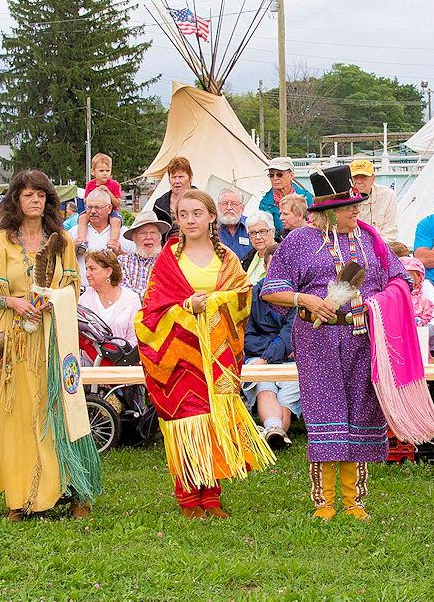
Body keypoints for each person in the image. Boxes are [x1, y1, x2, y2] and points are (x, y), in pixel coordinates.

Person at [262, 164, 408, 521]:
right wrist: (306, 301)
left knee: (359, 413)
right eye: (349, 207)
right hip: (317, 340)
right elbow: (272, 290)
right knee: (327, 416)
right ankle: (324, 502)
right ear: (327, 213)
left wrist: (383, 302)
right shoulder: (299, 242)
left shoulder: (369, 238)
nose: (357, 211)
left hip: (362, 337)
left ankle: (354, 500)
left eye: (357, 205)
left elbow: (399, 277)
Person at [0, 170, 101, 521]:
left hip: (54, 339)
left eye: (41, 194)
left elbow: (73, 288)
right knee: (18, 416)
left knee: (60, 410)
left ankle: (73, 490)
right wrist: (15, 303)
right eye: (28, 194)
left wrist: (50, 301)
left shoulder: (62, 241)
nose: (36, 200)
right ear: (15, 200)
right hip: (13, 343)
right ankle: (21, 495)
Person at [135, 190, 273, 519]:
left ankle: (211, 496)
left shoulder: (226, 257)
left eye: (197, 213)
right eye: (183, 214)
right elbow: (151, 310)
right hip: (179, 355)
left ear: (211, 216)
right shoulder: (169, 258)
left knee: (212, 422)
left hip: (217, 355)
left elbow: (242, 296)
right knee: (185, 422)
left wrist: (209, 303)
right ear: (177, 220)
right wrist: (186, 307)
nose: (190, 220)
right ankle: (187, 498)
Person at [244, 245, 298, 451]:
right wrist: (278, 348)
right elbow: (247, 338)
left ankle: (273, 431)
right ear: (265, 268)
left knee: (286, 398)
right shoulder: (252, 295)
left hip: (278, 360)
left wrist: (266, 357)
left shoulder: (297, 297)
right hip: (261, 358)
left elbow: (290, 333)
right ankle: (276, 432)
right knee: (265, 388)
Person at [79, 250, 141, 363]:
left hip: (123, 367)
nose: (87, 274)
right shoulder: (83, 297)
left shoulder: (132, 298)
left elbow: (135, 338)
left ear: (108, 271)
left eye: (92, 269)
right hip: (89, 367)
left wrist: (119, 362)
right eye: (87, 268)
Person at [77, 188, 134, 286]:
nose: (93, 211)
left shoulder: (125, 234)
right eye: (89, 207)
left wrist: (119, 253)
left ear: (109, 208)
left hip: (115, 293)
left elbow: (135, 264)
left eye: (97, 207)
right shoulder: (75, 232)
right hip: (82, 294)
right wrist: (72, 248)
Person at [75, 153, 123, 253]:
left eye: (107, 171)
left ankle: (112, 243)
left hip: (112, 211)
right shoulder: (90, 184)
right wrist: (95, 193)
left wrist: (108, 192)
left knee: (116, 221)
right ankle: (82, 241)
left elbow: (117, 203)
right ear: (93, 172)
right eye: (101, 171)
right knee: (82, 218)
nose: (105, 173)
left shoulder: (114, 185)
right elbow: (86, 200)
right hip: (96, 209)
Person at [118, 209, 170, 300]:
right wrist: (152, 296)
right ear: (134, 238)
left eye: (153, 233)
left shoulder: (168, 263)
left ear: (159, 237)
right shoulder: (122, 261)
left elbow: (168, 292)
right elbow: (124, 292)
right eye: (143, 233)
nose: (148, 237)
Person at [259, 157, 314, 236]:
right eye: (271, 175)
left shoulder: (307, 198)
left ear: (291, 176)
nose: (275, 178)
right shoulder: (265, 204)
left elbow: (315, 225)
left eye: (279, 174)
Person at [351, 158, 398, 242]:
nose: (359, 181)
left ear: (373, 178)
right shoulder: (343, 197)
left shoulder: (388, 195)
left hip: (380, 246)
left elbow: (390, 234)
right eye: (355, 177)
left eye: (364, 177)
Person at [152, 156, 195, 242]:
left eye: (181, 177)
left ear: (190, 178)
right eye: (173, 177)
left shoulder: (201, 201)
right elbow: (155, 231)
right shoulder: (160, 205)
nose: (177, 181)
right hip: (168, 249)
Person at [240, 211, 276, 283]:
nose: (258, 237)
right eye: (252, 233)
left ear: (273, 231)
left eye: (262, 231)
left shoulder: (283, 257)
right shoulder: (246, 260)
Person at [216, 188, 250, 261]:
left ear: (242, 208)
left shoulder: (251, 226)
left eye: (234, 204)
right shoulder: (210, 227)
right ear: (218, 207)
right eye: (224, 203)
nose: (229, 208)